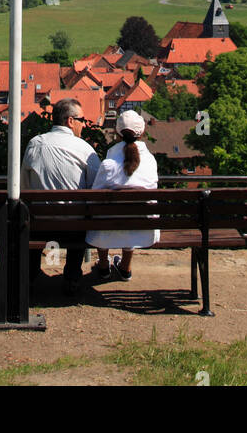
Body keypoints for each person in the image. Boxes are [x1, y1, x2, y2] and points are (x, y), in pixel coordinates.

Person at [20, 97, 101, 296]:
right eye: (82, 120)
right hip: (74, 227)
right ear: (70, 121)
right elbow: (96, 188)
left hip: (39, 226)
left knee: (30, 220)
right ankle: (72, 277)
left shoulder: (35, 144)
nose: (84, 124)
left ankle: (29, 277)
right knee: (81, 219)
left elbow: (23, 186)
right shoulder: (85, 150)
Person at [86, 110, 159, 282]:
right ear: (142, 133)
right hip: (143, 230)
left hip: (105, 230)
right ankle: (125, 267)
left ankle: (103, 265)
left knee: (102, 214)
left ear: (117, 134)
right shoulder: (150, 162)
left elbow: (93, 200)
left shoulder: (108, 165)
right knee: (133, 213)